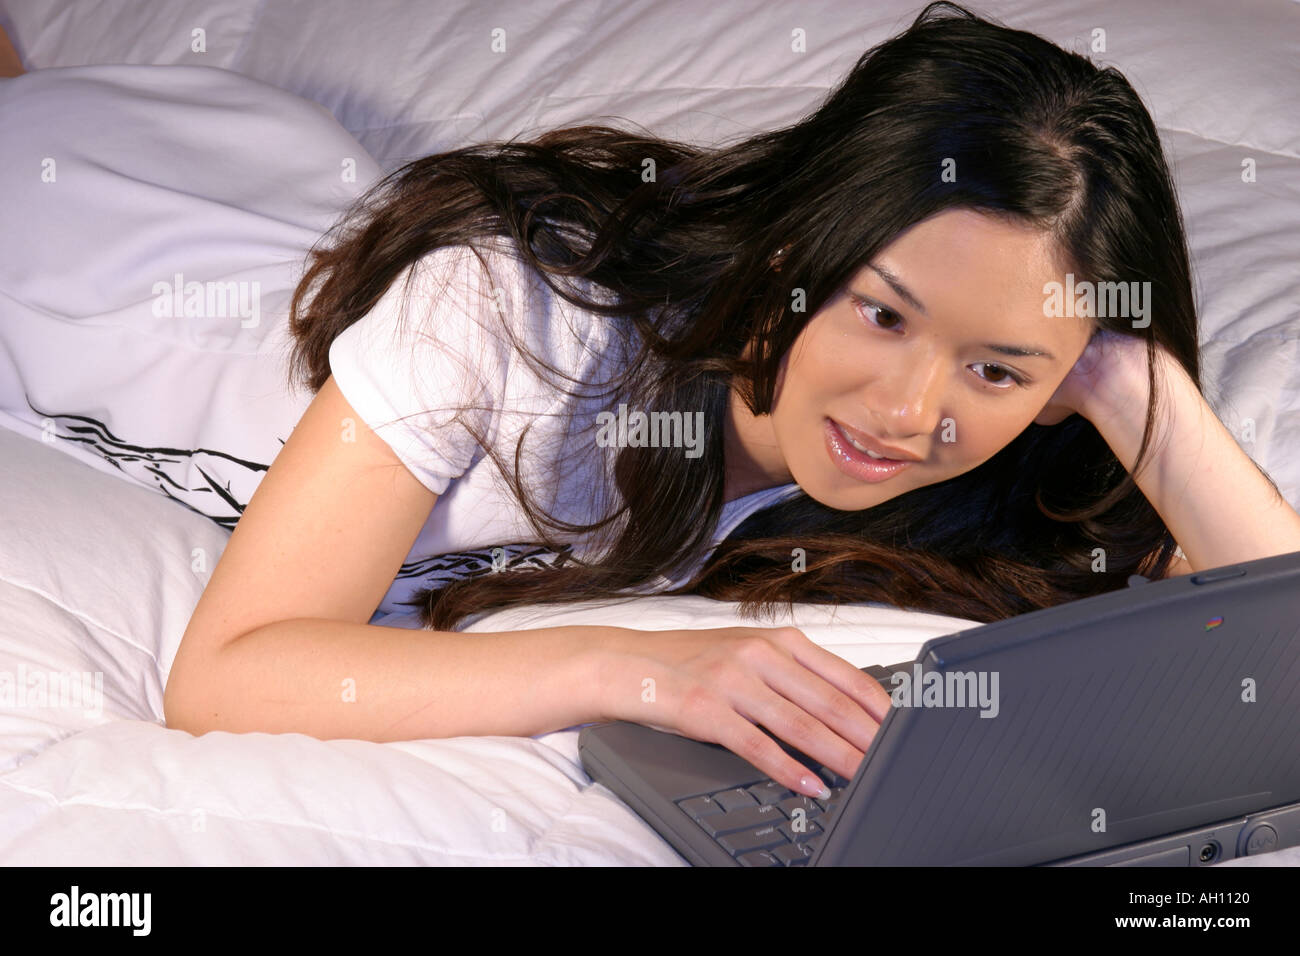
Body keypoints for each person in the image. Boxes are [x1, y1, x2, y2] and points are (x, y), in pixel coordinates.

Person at [12, 7, 1300, 803]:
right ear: (801, 240)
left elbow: (1281, 660)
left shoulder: (998, 455)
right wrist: (640, 667)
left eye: (998, 367)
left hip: (281, 194)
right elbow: (228, 677)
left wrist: (1145, 401)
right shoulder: (512, 316)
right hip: (93, 252)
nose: (910, 410)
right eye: (883, 311)